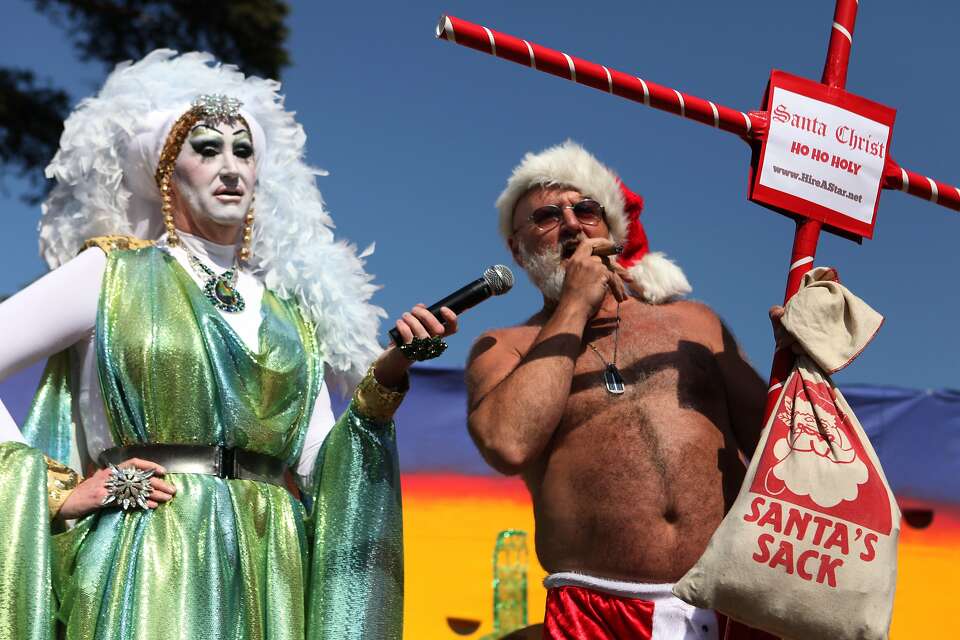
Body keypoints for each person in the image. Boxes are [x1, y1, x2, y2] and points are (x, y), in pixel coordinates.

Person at [0, 50, 455, 640]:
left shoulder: (289, 312)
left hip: (271, 562)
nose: (230, 167)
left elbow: (321, 467)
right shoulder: (109, 273)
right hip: (149, 550)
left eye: (244, 151)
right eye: (205, 149)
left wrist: (388, 376)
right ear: (167, 172)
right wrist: (53, 489)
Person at [465, 141, 771, 639]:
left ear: (611, 230)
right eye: (546, 216)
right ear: (518, 250)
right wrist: (575, 305)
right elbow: (507, 442)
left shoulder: (695, 322)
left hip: (729, 604)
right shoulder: (506, 346)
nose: (571, 224)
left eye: (586, 210)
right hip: (595, 617)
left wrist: (804, 361)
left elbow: (776, 443)